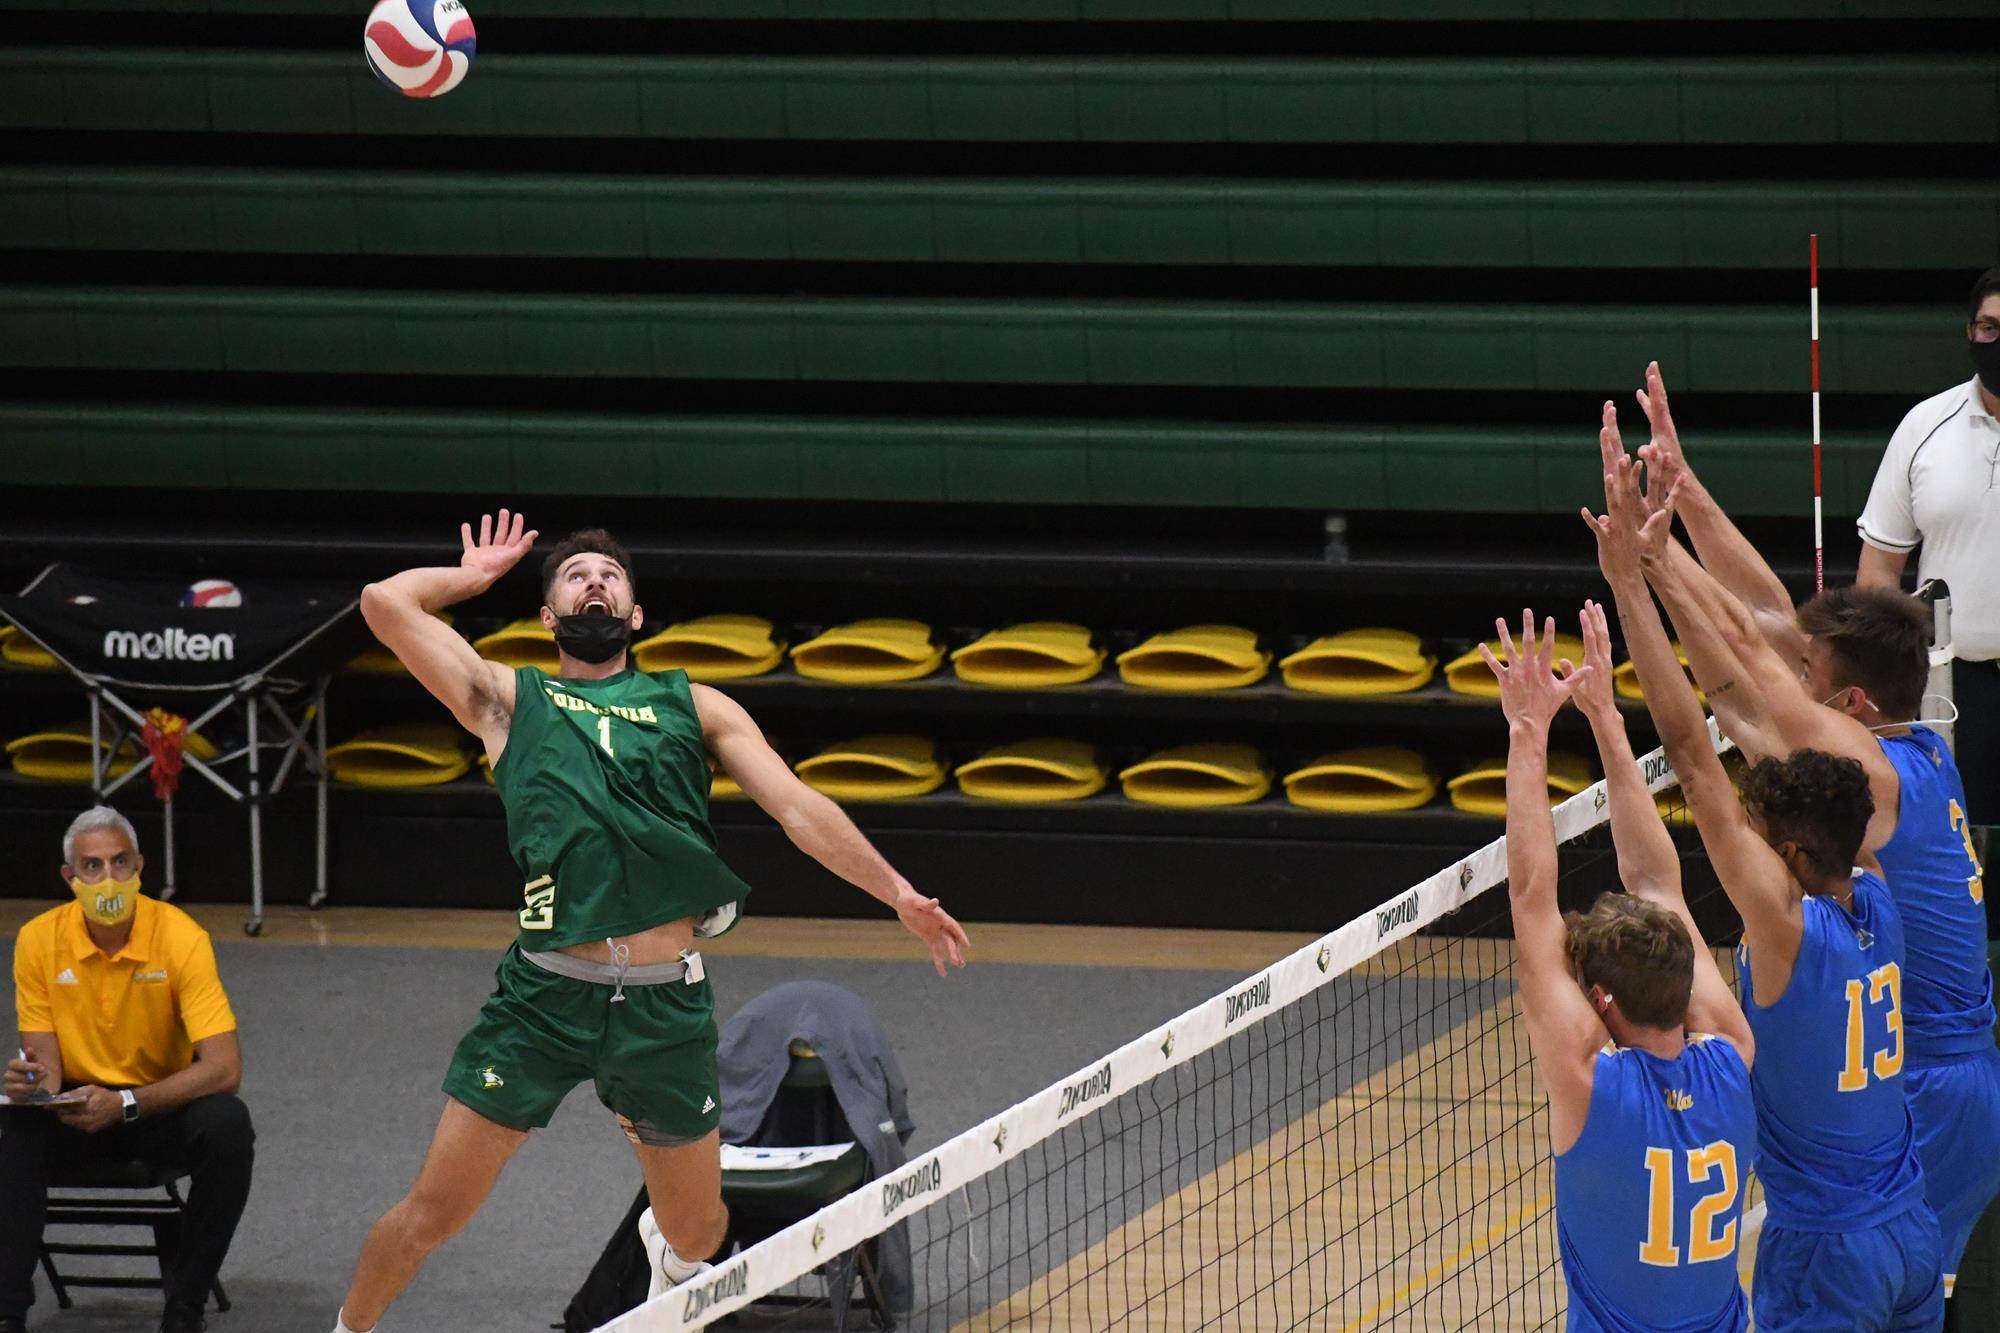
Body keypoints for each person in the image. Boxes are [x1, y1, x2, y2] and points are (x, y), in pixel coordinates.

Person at [335, 512, 970, 1333]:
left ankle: (667, 1261)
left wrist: (897, 893)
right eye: (574, 575)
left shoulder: (694, 706)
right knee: (434, 1212)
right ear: (548, 617)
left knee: (698, 1232)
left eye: (609, 575)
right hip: (542, 1002)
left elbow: (800, 809)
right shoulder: (507, 699)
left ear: (634, 614)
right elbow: (384, 604)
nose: (593, 580)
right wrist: (469, 580)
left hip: (664, 1007)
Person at [1631, 364, 1999, 1316]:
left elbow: (1749, 666)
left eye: (1816, 680)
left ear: (1850, 703)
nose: (1800, 675)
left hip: (1928, 1094)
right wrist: (1683, 488)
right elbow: (1770, 630)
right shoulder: (1913, 753)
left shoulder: (1871, 782)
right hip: (1938, 1077)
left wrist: (1650, 563)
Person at [1482, 609, 1756, 1333]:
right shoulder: (1733, 1053)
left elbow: (1533, 897)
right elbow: (1659, 885)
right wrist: (1605, 715)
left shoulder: (1589, 1082)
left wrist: (1527, 729)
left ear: (1599, 998)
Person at [1, 806, 255, 1333]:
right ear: (70, 878)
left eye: (120, 863)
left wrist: (127, 1105)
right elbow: (44, 1063)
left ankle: (184, 1310)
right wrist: (32, 1087)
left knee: (229, 1126)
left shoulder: (182, 937)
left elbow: (224, 1067)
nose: (109, 878)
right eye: (92, 867)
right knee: (13, 1128)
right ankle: (8, 1311)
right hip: (77, 1108)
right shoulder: (37, 941)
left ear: (140, 866)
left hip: (156, 1109)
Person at [1856, 266, 2000, 828]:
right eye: (1988, 327)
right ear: (1969, 333)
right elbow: (1877, 576)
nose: (1997, 340)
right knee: (1961, 846)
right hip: (1953, 693)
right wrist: (1879, 692)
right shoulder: (1923, 427)